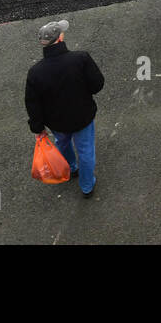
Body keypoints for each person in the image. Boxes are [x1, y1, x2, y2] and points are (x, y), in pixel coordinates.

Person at [24, 20, 105, 198]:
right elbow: (97, 85)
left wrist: (37, 128)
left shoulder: (35, 72)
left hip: (56, 122)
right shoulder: (81, 58)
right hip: (82, 117)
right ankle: (86, 186)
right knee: (86, 151)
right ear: (60, 38)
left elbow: (32, 103)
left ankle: (70, 168)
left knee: (62, 142)